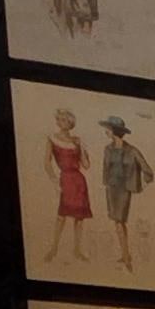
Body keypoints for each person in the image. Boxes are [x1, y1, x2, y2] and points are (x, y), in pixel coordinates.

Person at [96, 115, 155, 269]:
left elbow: (148, 171)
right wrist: (106, 183)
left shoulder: (132, 150)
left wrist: (141, 185)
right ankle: (125, 255)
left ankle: (126, 257)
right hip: (111, 189)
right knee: (118, 222)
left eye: (108, 129)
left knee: (119, 222)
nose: (106, 132)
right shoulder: (107, 149)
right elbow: (105, 169)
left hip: (124, 190)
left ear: (115, 131)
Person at [40, 107, 92, 262]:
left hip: (79, 181)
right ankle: (54, 248)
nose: (60, 122)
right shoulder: (52, 138)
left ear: (70, 122)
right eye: (59, 119)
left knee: (79, 217)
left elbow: (86, 165)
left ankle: (77, 250)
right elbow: (47, 162)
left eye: (63, 119)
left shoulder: (76, 140)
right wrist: (55, 180)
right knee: (61, 216)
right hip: (65, 179)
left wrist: (82, 147)